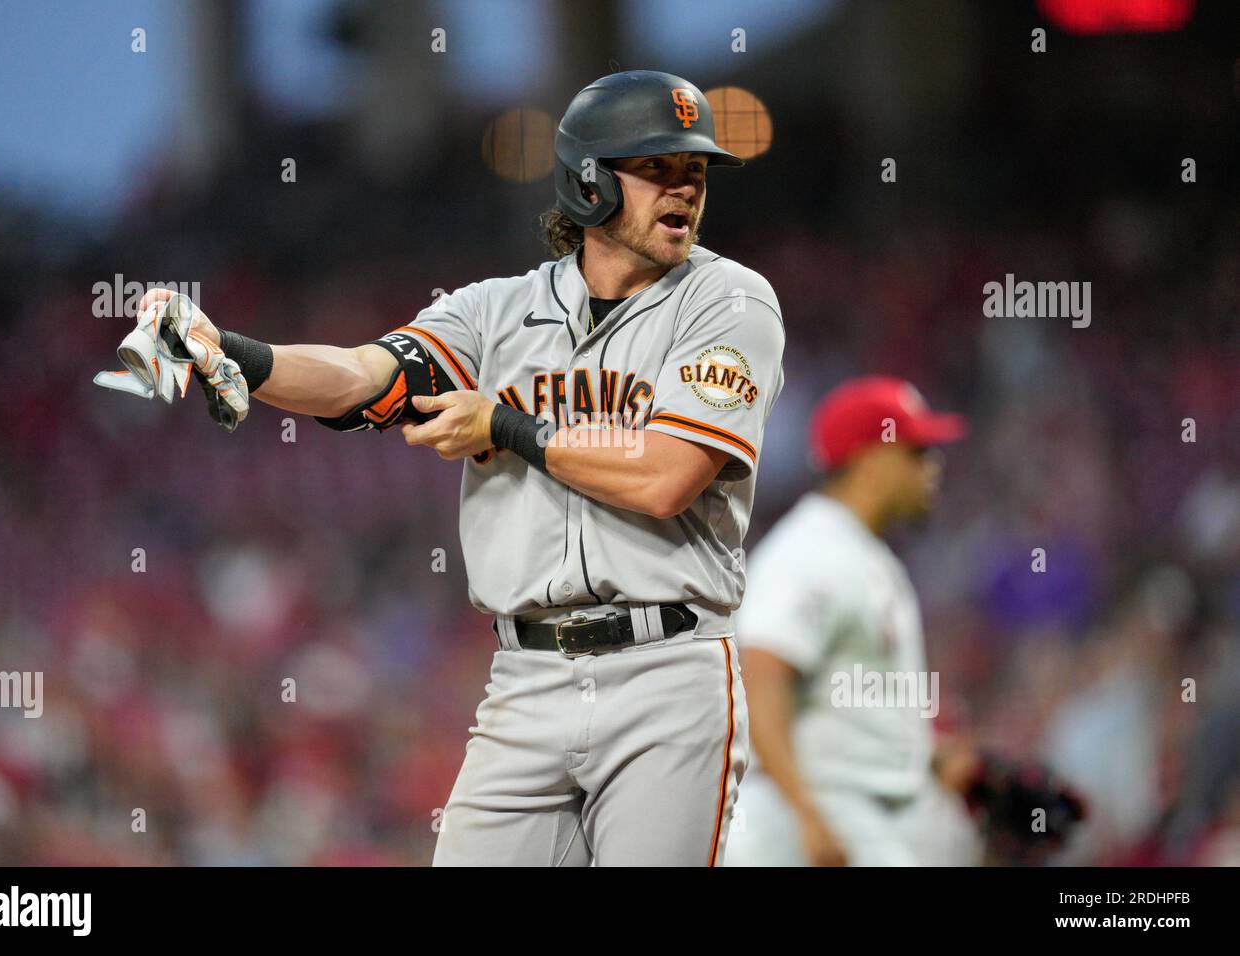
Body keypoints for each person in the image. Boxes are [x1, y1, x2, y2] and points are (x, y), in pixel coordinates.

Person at [98, 70, 785, 866]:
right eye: (658, 169)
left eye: (694, 172)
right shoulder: (496, 310)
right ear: (590, 181)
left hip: (668, 669)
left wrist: (507, 424)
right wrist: (237, 355)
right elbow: (364, 379)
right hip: (527, 677)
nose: (685, 190)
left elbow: (667, 477)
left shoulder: (728, 300)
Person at [723, 376, 983, 866]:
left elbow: (855, 718)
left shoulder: (863, 556)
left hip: (847, 816)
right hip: (805, 823)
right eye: (917, 452)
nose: (933, 467)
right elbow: (760, 683)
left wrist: (945, 764)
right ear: (870, 461)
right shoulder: (809, 550)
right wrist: (808, 816)